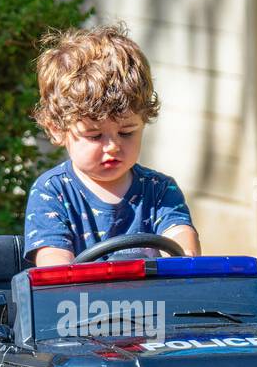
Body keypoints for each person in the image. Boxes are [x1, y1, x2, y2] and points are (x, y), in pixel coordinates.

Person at [25, 23, 202, 267]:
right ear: (58, 130)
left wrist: (186, 252)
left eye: (127, 132)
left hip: (156, 303)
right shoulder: (52, 192)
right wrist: (60, 267)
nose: (112, 147)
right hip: (80, 303)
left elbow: (180, 238)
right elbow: (53, 263)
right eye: (94, 136)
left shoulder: (159, 190)